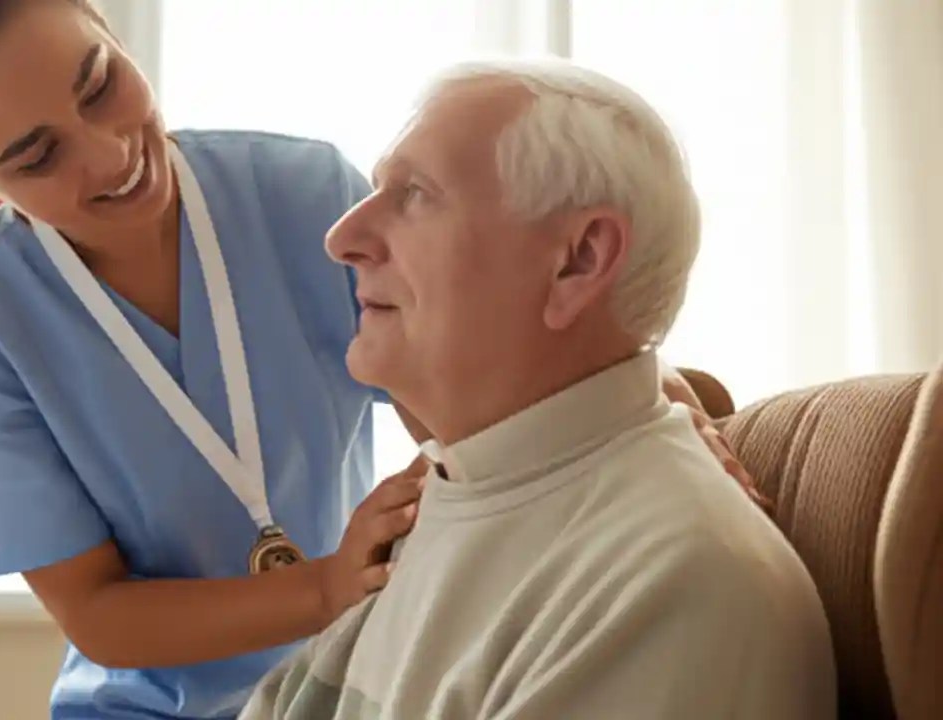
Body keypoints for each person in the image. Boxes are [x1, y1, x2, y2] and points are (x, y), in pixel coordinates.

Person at [0, 1, 763, 717]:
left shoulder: (306, 195)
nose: (107, 154)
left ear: (105, 25)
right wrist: (323, 586)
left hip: (353, 663)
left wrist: (651, 408)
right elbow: (99, 616)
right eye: (35, 156)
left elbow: (487, 380)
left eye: (98, 84)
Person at [241, 59, 837, 719]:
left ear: (580, 261)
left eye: (414, 194)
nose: (340, 239)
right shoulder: (450, 501)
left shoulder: (675, 584)